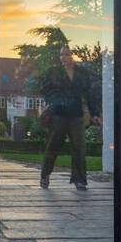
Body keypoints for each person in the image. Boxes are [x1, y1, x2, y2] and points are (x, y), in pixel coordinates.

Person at [38, 42, 96, 191]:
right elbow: (45, 90)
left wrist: (94, 113)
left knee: (79, 148)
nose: (64, 57)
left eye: (67, 54)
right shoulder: (53, 72)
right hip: (58, 114)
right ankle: (45, 175)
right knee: (53, 146)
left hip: (76, 115)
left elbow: (89, 93)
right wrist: (54, 101)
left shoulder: (82, 73)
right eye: (61, 54)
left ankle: (80, 180)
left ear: (73, 56)